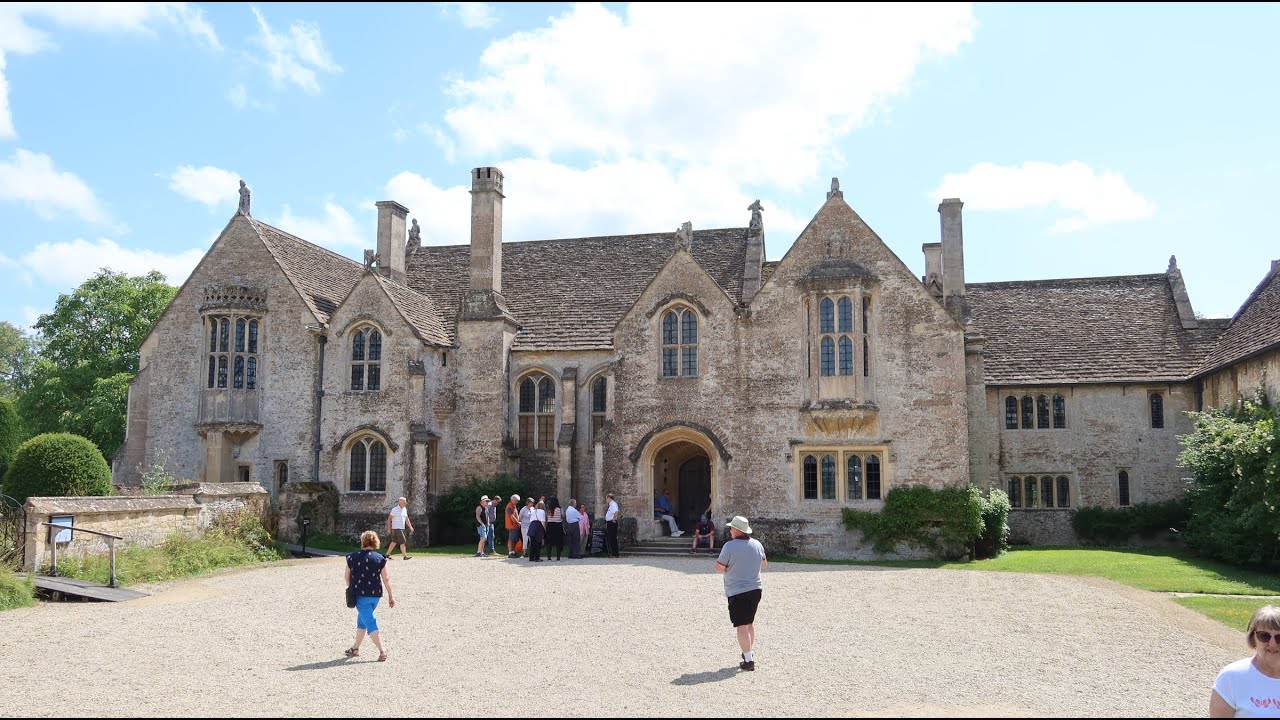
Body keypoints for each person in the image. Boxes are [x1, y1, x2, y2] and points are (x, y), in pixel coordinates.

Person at [715, 516, 767, 672]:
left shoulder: (729, 547)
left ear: (737, 530)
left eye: (731, 528)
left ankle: (749, 660)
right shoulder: (757, 544)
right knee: (749, 623)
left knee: (742, 626)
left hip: (737, 591)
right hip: (756, 589)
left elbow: (719, 568)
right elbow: (764, 564)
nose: (730, 530)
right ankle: (748, 652)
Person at [1210, 604, 1280, 717]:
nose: (1272, 643)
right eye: (1264, 636)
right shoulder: (1232, 677)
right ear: (1253, 638)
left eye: (1279, 637)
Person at [344, 530, 395, 662]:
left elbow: (346, 577)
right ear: (375, 542)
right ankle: (355, 648)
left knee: (370, 621)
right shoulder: (380, 558)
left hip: (360, 595)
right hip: (375, 595)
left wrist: (351, 588)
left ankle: (382, 651)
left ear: (363, 542)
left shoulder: (352, 557)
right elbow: (386, 578)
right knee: (363, 619)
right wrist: (391, 595)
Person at [505, 494, 522, 558]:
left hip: (514, 525)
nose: (517, 502)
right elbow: (512, 517)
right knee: (511, 539)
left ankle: (513, 552)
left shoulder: (513, 506)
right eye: (516, 500)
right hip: (512, 526)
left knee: (513, 539)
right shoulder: (510, 506)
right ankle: (510, 552)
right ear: (512, 500)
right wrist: (518, 523)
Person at [604, 493, 621, 558]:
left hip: (612, 523)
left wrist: (614, 519)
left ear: (609, 498)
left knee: (612, 538)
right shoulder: (612, 504)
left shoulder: (613, 504)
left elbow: (616, 512)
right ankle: (614, 554)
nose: (606, 500)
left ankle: (615, 554)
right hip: (610, 522)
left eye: (606, 499)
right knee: (612, 538)